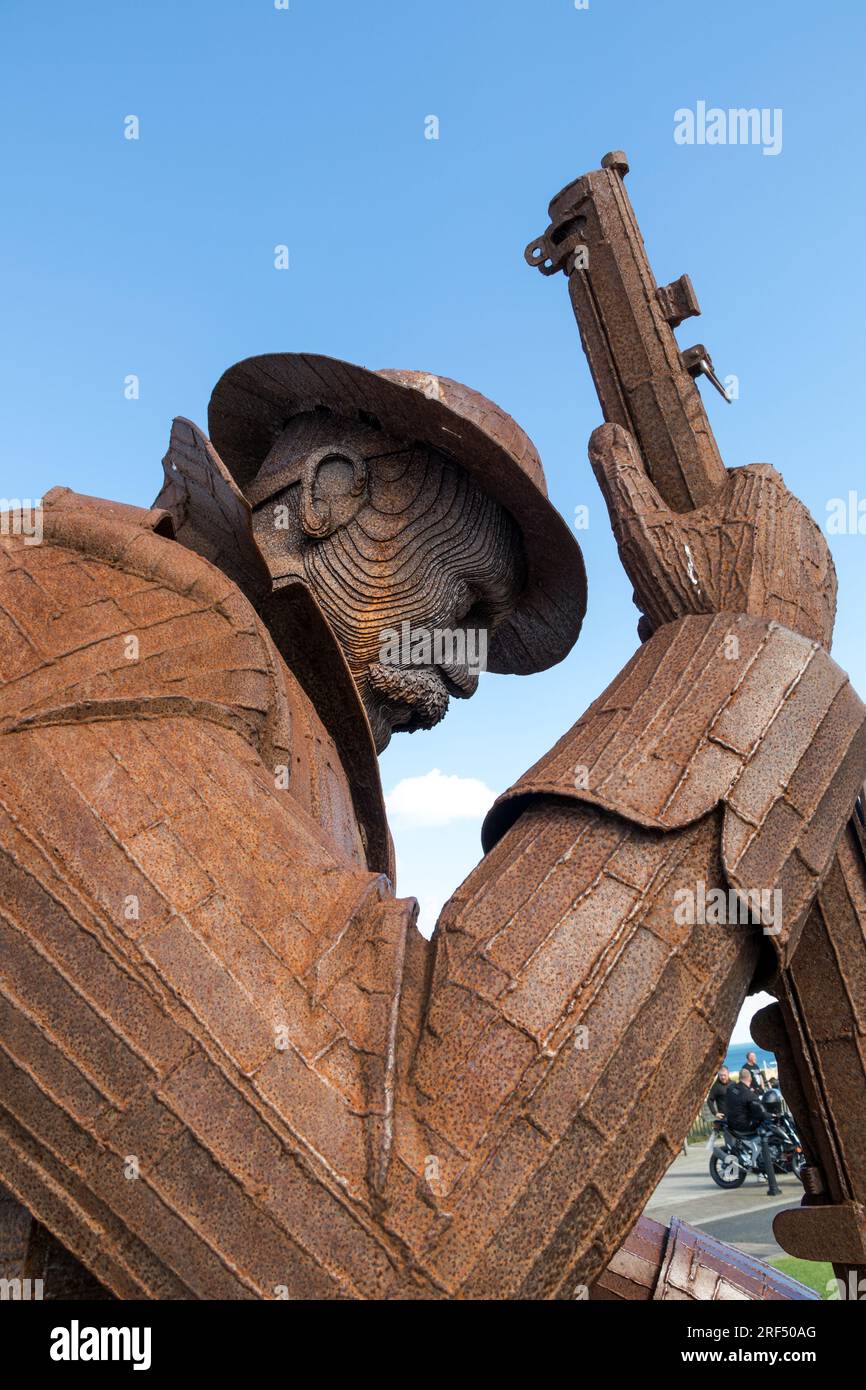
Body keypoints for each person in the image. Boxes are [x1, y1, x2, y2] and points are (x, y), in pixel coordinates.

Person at [0, 350, 859, 1297]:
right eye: (467, 606)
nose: (465, 671)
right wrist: (744, 666)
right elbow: (394, 1253)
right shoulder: (100, 625)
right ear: (330, 494)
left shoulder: (254, 713)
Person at [725, 1070, 782, 1196]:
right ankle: (761, 1160)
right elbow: (760, 1111)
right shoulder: (748, 1094)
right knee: (764, 1126)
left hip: (732, 1122)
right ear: (750, 1079)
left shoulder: (731, 1088)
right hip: (743, 1125)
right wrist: (771, 1115)